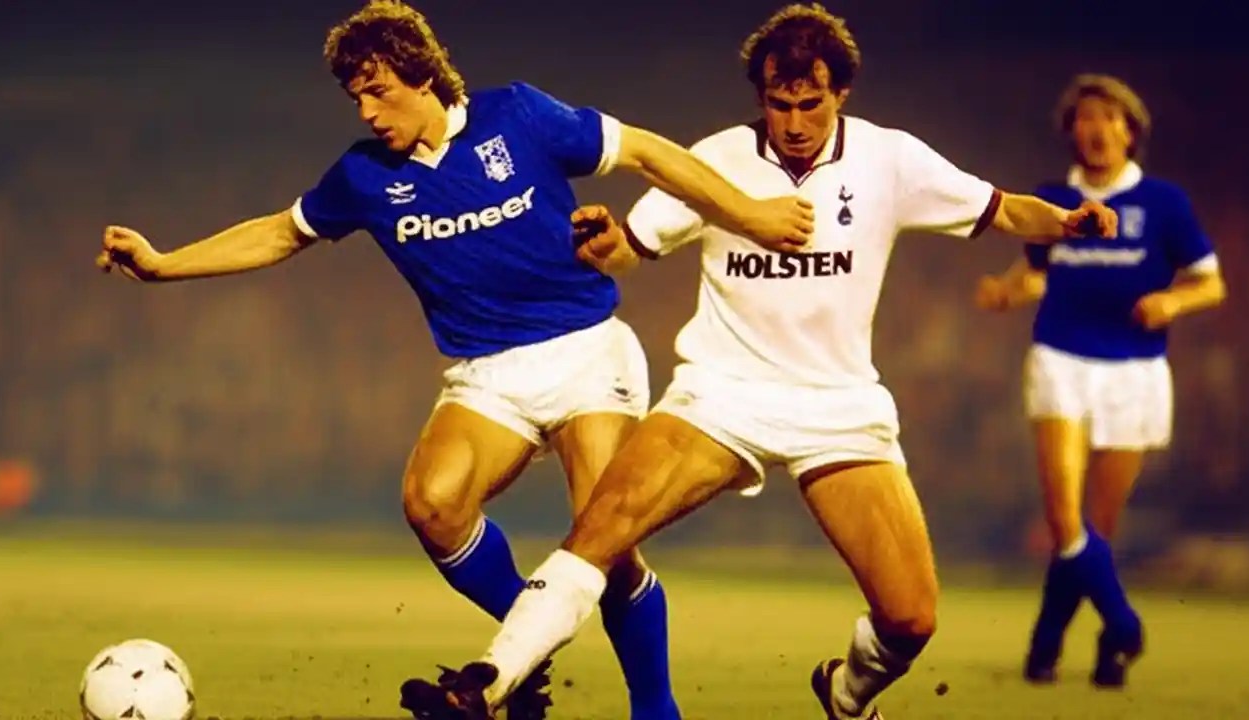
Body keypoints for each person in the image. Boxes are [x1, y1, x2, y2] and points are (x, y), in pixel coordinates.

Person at [94, 2, 814, 719]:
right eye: (356, 98)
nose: (369, 112)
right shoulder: (363, 176)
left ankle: (654, 709)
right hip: (486, 374)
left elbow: (647, 152)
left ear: (420, 74)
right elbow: (281, 233)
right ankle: (521, 656)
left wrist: (748, 215)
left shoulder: (520, 118)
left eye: (378, 91)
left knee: (609, 542)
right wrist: (162, 265)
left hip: (587, 349)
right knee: (432, 506)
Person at [397, 5, 1118, 719]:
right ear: (762, 97)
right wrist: (598, 238)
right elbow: (629, 249)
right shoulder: (715, 162)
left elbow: (1000, 209)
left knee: (911, 619)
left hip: (838, 407)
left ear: (841, 95)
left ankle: (845, 692)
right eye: (780, 104)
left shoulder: (890, 159)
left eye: (811, 104)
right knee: (601, 529)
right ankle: (489, 684)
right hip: (719, 397)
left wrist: (1065, 222)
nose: (795, 121)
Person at [974, 73, 1226, 688]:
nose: (1095, 128)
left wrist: (1171, 302)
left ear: (1129, 131)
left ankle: (1051, 643)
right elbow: (1035, 273)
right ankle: (1123, 625)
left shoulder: (1164, 204)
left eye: (1107, 117)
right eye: (1084, 118)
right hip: (1061, 358)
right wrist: (1009, 292)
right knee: (1064, 521)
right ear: (1071, 133)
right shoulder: (1054, 198)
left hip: (1135, 372)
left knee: (1098, 530)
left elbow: (1210, 283)